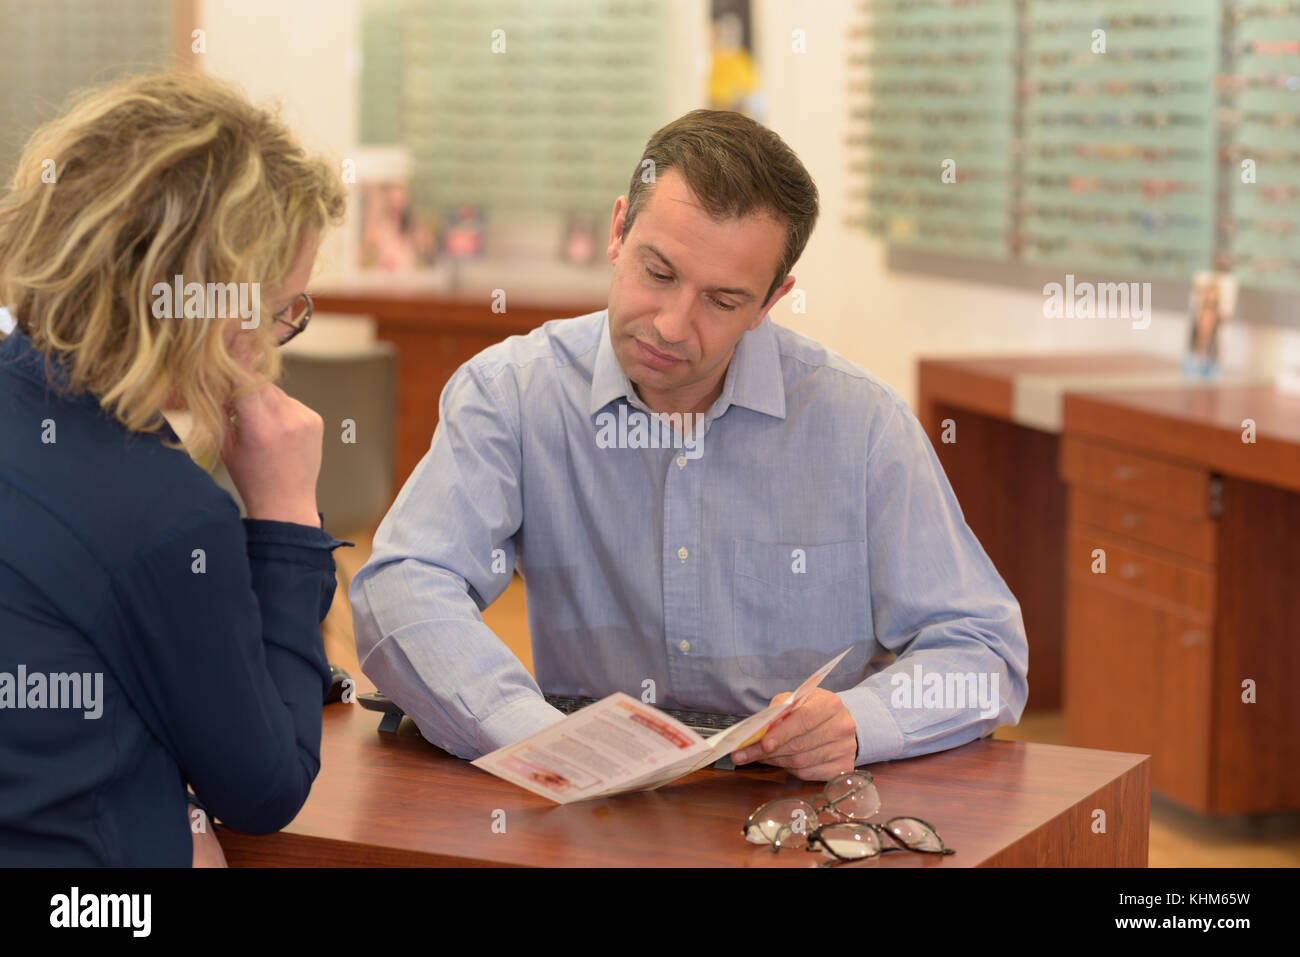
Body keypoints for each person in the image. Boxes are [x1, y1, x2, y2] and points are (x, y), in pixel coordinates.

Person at [350, 110, 1028, 781]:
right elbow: (406, 585)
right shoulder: (512, 393)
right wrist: (543, 740)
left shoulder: (863, 425)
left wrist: (861, 720)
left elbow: (982, 650)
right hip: (594, 806)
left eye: (723, 301)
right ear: (618, 229)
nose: (672, 325)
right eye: (660, 273)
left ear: (770, 300)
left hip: (792, 810)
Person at [0, 72, 347, 864]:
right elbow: (264, 789)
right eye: (282, 307)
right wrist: (288, 512)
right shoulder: (165, 514)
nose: (274, 339)